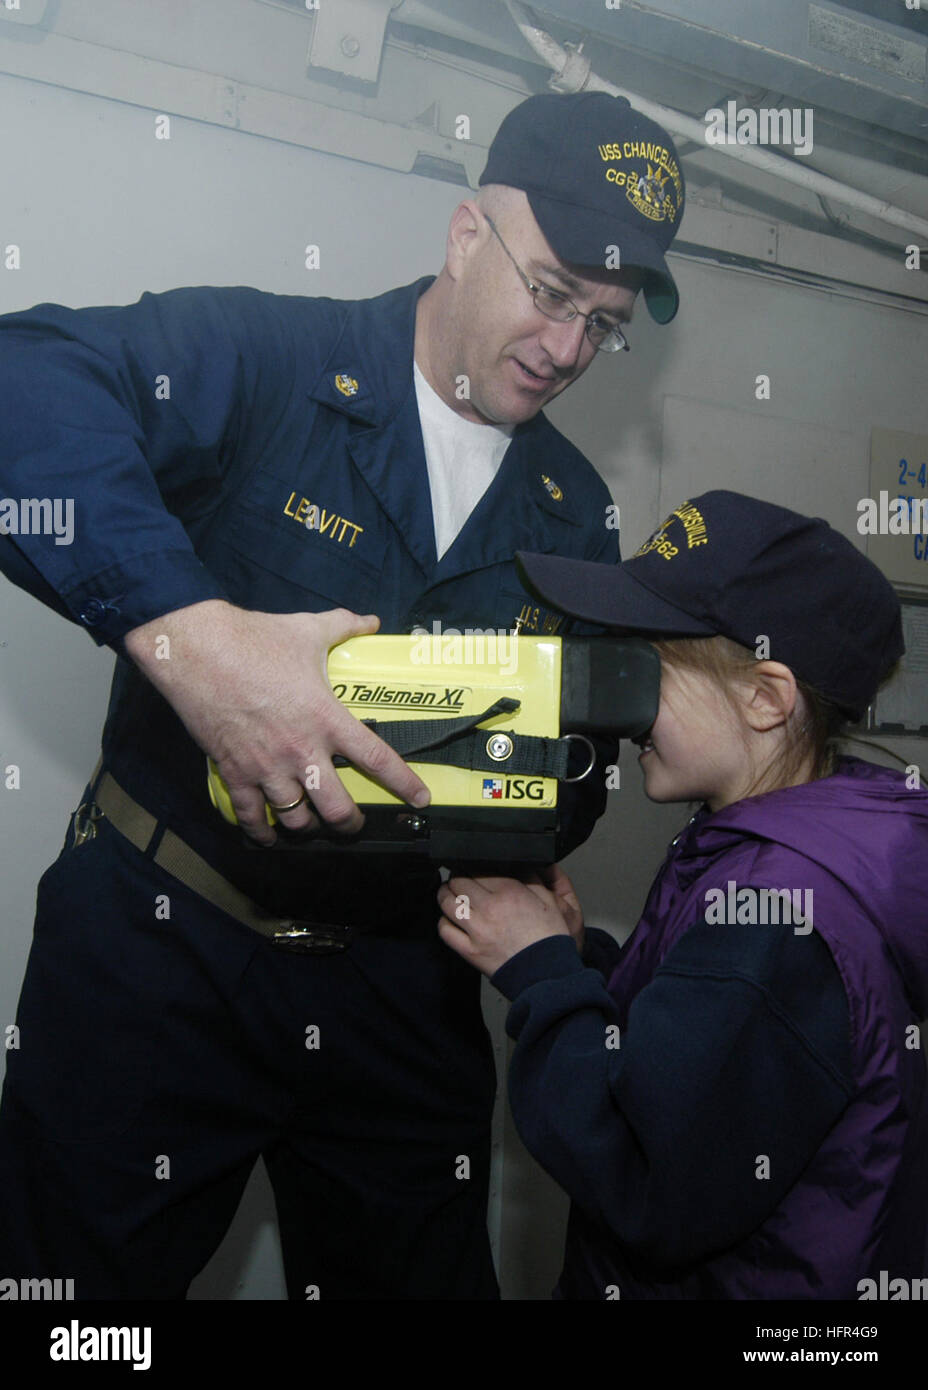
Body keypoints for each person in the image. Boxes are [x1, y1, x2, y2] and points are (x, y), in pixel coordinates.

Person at [0, 92, 685, 1299]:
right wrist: (192, 643)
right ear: (466, 235)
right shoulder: (263, 359)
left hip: (399, 988)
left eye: (604, 324)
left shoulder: (579, 515)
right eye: (551, 291)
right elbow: (22, 385)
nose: (568, 348)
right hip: (163, 946)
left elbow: (566, 785)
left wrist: (531, 810)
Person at [438, 490, 928, 1299]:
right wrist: (583, 961)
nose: (617, 700)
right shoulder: (767, 843)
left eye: (644, 662)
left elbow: (651, 1178)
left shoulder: (783, 912)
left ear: (766, 698)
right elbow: (698, 1064)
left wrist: (543, 978)